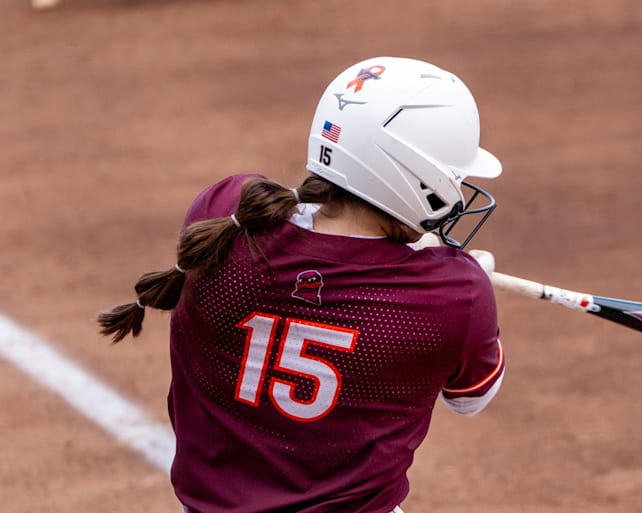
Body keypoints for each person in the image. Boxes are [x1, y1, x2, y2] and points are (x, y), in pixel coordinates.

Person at [97, 56, 504, 513]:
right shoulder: (453, 294)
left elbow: (314, 248)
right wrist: (469, 284)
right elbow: (472, 398)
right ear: (416, 174)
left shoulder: (223, 212)